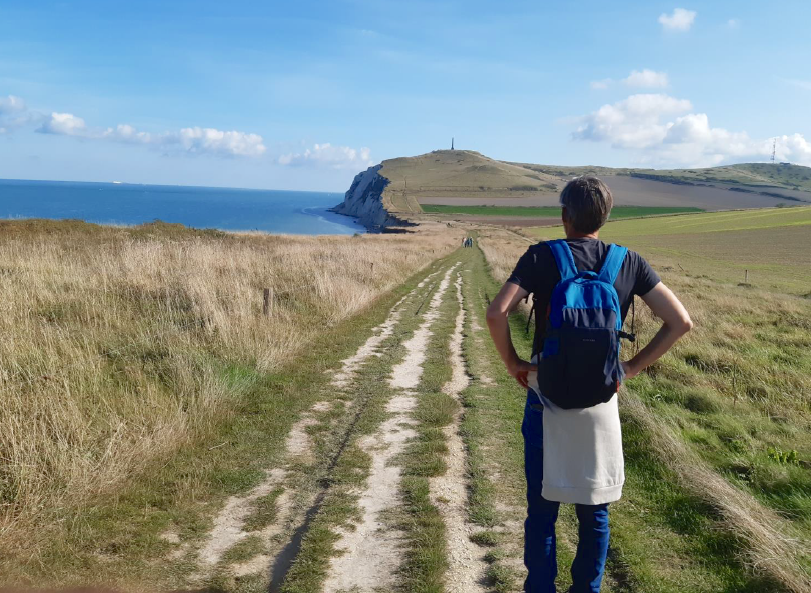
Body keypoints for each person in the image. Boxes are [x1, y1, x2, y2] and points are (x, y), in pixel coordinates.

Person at [485, 176, 692, 593]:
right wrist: (630, 368)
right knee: (594, 512)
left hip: (546, 396)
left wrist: (513, 363)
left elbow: (496, 313)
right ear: (606, 216)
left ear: (564, 215)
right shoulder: (627, 261)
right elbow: (681, 322)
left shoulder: (541, 256)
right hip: (601, 399)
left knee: (542, 511)